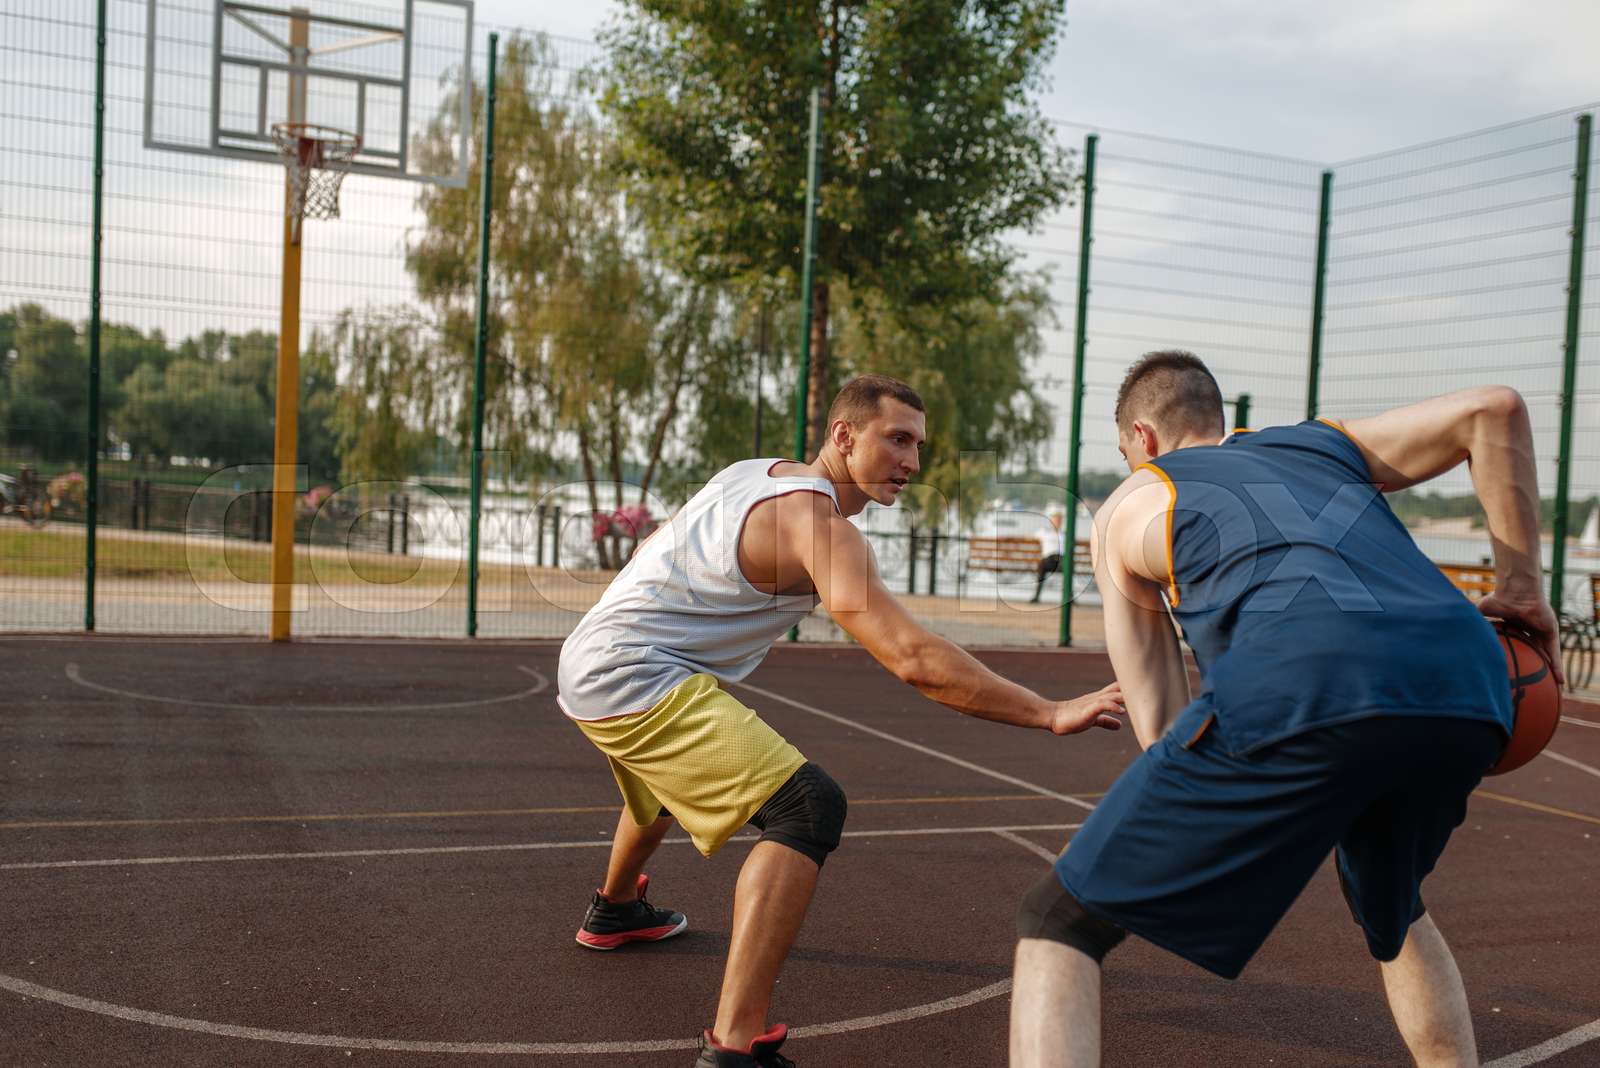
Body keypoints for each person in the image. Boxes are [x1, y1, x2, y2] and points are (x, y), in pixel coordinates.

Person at [1009, 350, 1562, 1068]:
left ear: (1141, 440)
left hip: (1303, 671)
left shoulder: (1127, 504)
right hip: (1470, 671)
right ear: (1223, 420)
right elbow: (1496, 410)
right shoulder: (1318, 443)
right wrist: (1522, 591)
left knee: (1058, 919)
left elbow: (1162, 726)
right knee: (1391, 905)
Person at [557, 373, 1126, 1068]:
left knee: (672, 775)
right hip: (630, 673)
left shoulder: (756, 473)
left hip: (603, 655)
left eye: (918, 445)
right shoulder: (822, 530)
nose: (912, 462)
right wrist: (1050, 710)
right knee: (807, 804)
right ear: (844, 435)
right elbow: (915, 658)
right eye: (896, 439)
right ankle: (736, 1048)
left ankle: (615, 909)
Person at [1029, 507, 1066, 603]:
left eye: (1059, 520)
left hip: (1061, 560)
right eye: (1055, 520)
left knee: (1067, 567)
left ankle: (1068, 597)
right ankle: (1036, 596)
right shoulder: (1043, 532)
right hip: (1048, 560)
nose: (1057, 522)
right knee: (1042, 565)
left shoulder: (1064, 534)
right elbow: (1030, 538)